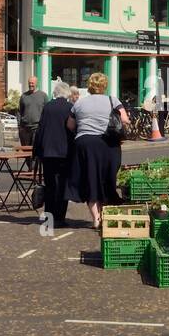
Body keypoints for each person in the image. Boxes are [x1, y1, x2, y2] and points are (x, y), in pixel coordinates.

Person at [66, 72, 128, 228]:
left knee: (90, 179)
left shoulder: (79, 103)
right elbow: (125, 120)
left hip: (85, 143)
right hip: (108, 143)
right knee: (106, 178)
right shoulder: (112, 100)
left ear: (90, 86)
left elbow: (70, 126)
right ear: (104, 85)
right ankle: (105, 214)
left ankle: (96, 218)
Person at [33, 80, 75, 227]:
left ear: (55, 93)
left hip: (48, 152)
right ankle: (60, 218)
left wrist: (36, 151)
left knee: (50, 185)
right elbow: (73, 130)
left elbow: (40, 129)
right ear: (67, 94)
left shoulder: (48, 107)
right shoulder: (70, 107)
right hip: (65, 152)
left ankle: (49, 217)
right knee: (63, 185)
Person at [18, 76, 47, 147]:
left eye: (32, 83)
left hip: (37, 127)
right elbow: (19, 111)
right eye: (29, 83)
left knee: (35, 150)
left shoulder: (43, 96)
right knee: (25, 151)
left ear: (36, 83)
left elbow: (46, 112)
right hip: (25, 128)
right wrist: (19, 125)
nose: (30, 85)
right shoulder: (24, 96)